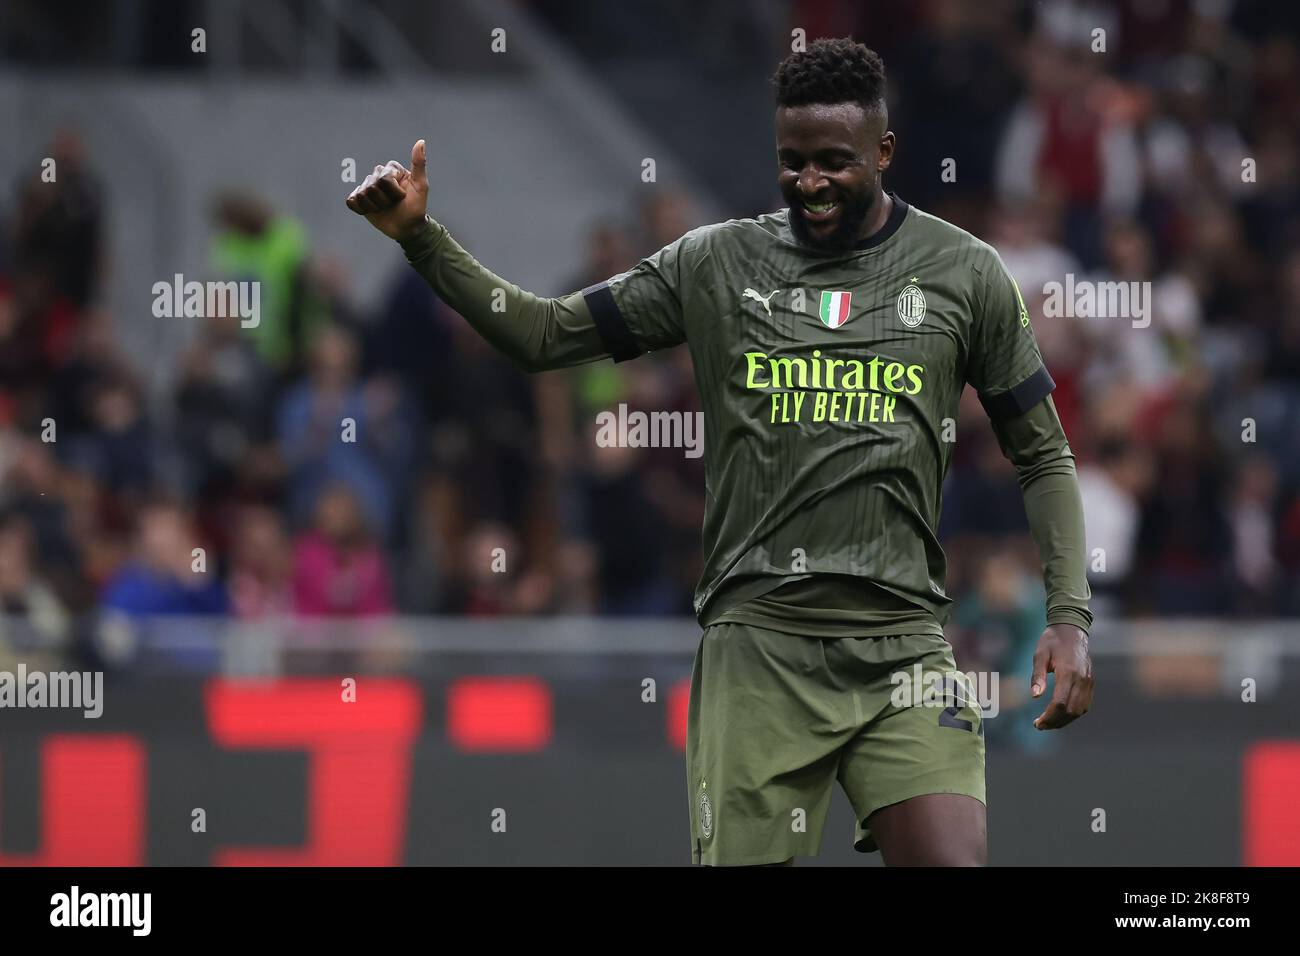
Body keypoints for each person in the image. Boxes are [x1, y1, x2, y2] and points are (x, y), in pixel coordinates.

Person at [344, 37, 1094, 867]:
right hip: (760, 653)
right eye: (793, 162)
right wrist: (421, 239)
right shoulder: (716, 264)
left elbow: (1044, 456)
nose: (810, 184)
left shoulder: (964, 275)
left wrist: (1068, 616)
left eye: (834, 163)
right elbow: (544, 334)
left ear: (884, 151)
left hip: (904, 646)